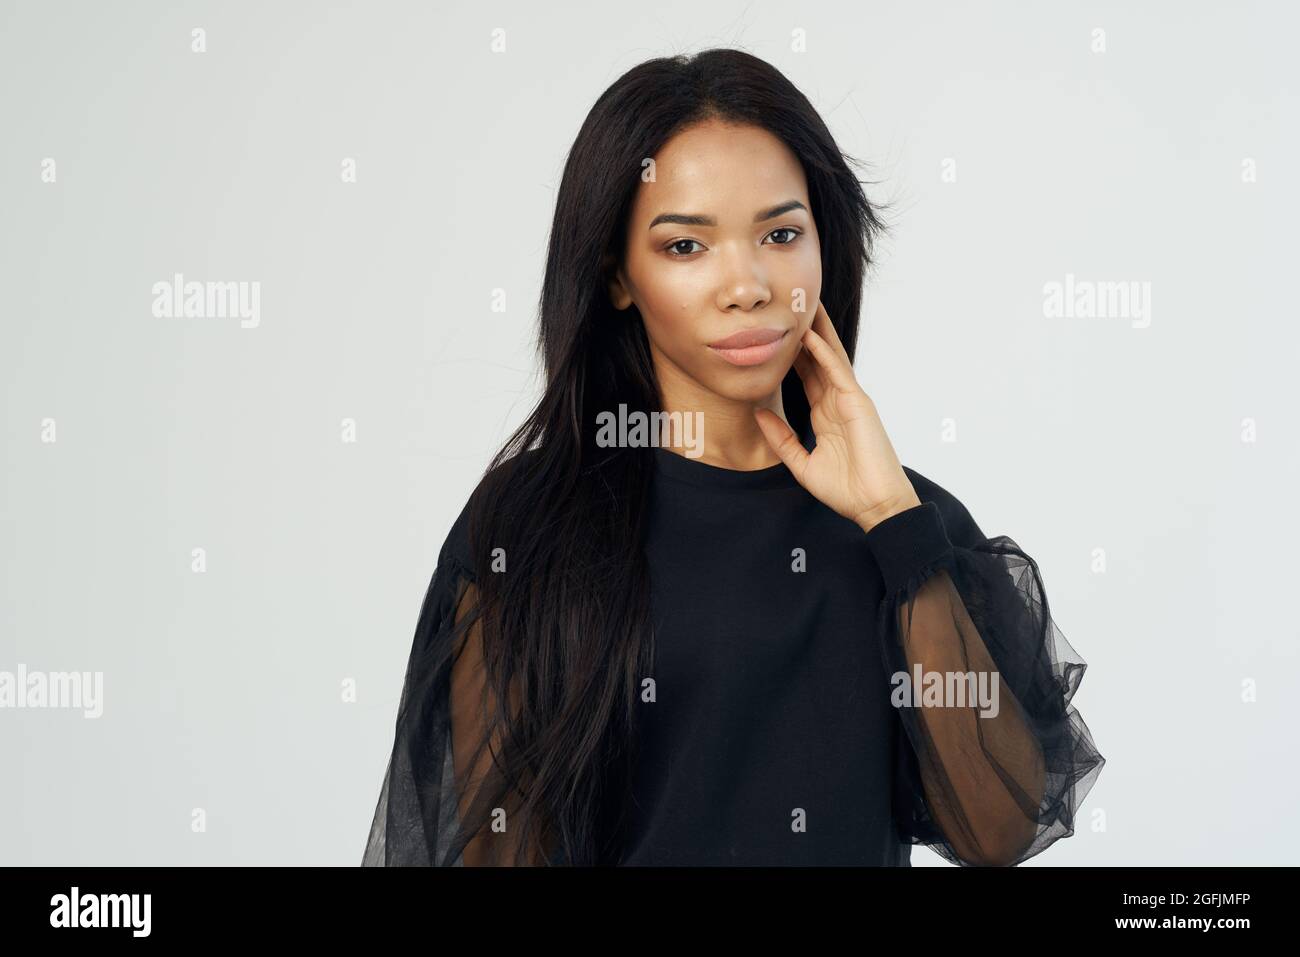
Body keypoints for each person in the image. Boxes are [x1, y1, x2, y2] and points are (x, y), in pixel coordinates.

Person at [362, 48, 1104, 867]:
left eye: (781, 234)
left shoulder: (911, 526)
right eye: (687, 247)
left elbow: (996, 830)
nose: (747, 283)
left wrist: (895, 524)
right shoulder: (528, 526)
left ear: (827, 245)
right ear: (617, 274)